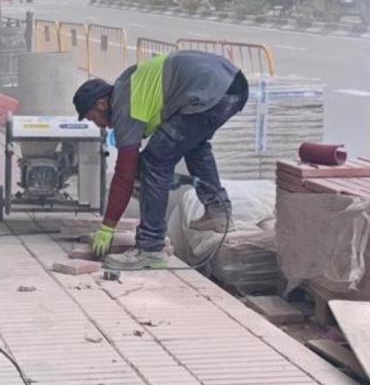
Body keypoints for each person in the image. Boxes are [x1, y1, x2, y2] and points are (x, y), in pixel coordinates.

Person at [72, 51, 249, 270]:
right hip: (231, 85)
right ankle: (218, 212)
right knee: (195, 146)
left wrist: (108, 226)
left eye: (93, 118)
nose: (100, 126)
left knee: (154, 162)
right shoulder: (127, 87)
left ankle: (150, 248)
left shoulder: (124, 107)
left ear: (101, 104)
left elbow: (124, 174)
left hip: (212, 91)